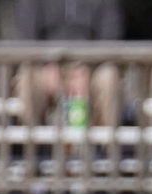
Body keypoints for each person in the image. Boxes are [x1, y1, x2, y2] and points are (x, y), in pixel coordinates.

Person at [12, 0, 123, 128]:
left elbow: (110, 38)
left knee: (109, 76)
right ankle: (32, 144)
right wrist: (47, 63)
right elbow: (27, 38)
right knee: (27, 76)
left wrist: (88, 67)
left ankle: (108, 145)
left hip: (91, 68)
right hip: (45, 67)